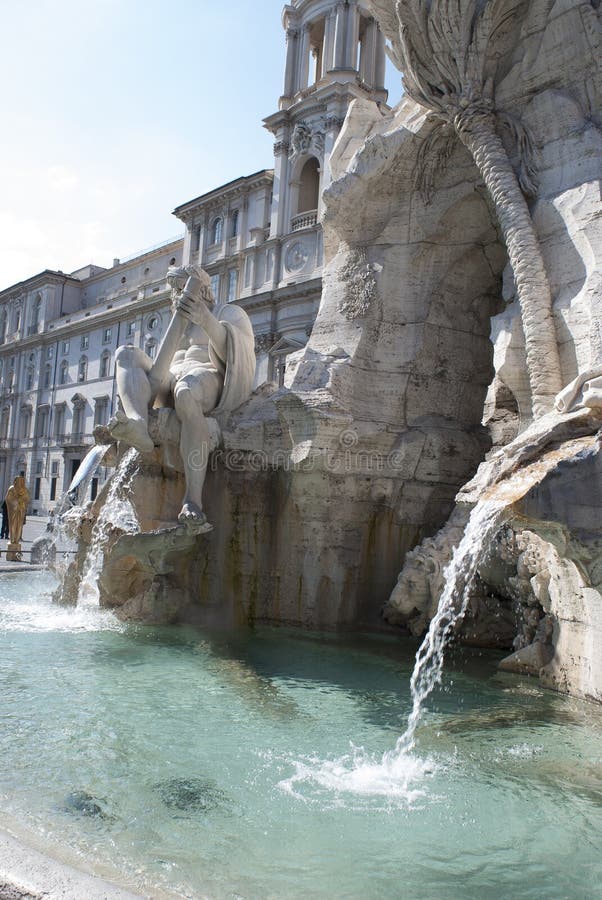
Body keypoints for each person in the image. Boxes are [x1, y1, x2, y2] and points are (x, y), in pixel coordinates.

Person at [108, 264, 255, 528]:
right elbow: (161, 368)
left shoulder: (229, 312)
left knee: (186, 391)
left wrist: (205, 320)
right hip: (170, 380)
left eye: (180, 288)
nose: (176, 295)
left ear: (203, 290)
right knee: (125, 354)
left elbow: (239, 356)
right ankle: (138, 422)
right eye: (174, 290)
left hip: (207, 379)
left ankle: (193, 499)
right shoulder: (176, 322)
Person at [5, 476, 29, 545]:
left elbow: (27, 499)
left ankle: (17, 539)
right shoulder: (12, 488)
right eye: (18, 480)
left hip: (20, 510)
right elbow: (8, 499)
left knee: (19, 525)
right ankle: (12, 539)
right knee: (13, 524)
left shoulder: (24, 489)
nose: (19, 482)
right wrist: (15, 502)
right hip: (13, 510)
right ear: (15, 481)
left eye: (21, 480)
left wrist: (22, 501)